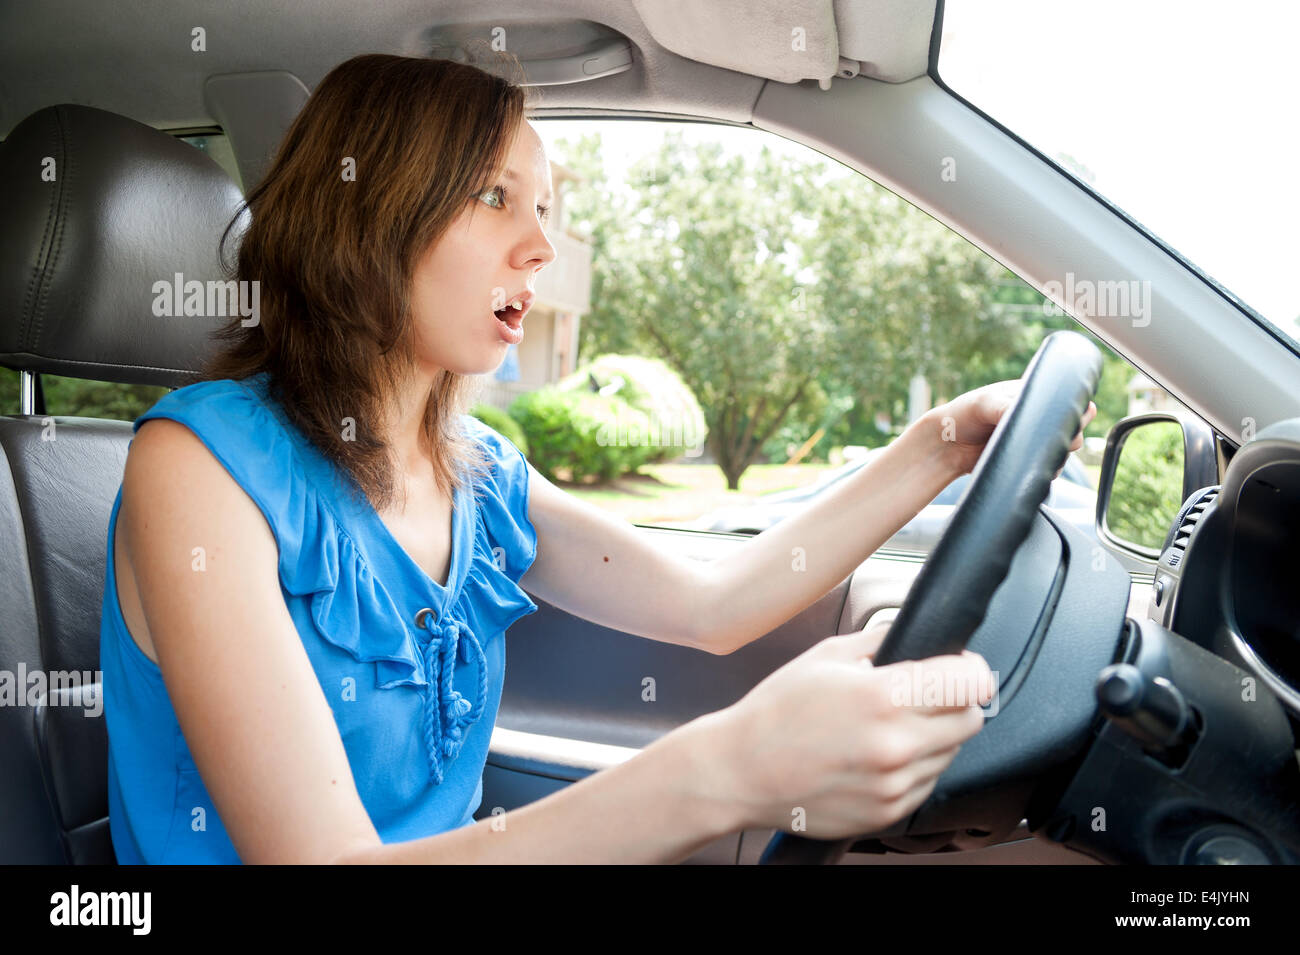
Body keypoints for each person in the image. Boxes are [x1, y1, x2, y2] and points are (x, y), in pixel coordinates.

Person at [101, 52, 1094, 864]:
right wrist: (730, 767)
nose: (541, 245)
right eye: (496, 196)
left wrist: (939, 445)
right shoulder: (201, 467)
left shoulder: (476, 473)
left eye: (545, 206)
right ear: (370, 215)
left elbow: (716, 605)